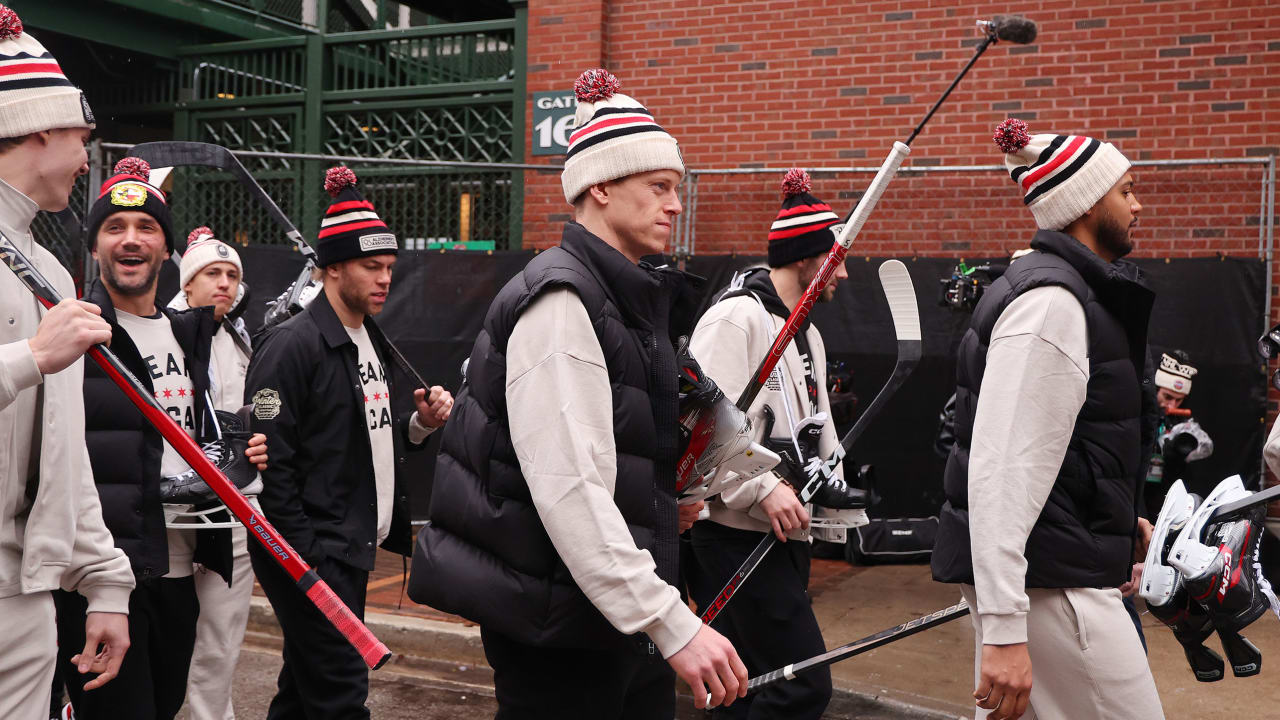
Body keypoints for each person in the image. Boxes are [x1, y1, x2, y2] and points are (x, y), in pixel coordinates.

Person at [411, 68, 748, 717]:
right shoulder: (563, 301)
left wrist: (666, 501)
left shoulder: (628, 300)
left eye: (674, 188)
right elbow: (570, 488)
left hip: (613, 618)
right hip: (563, 630)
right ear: (599, 186)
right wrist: (671, 621)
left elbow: (621, 456)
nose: (674, 205)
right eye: (658, 186)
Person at [931, 118, 1163, 720]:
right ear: (1086, 203)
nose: (1138, 205)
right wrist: (1006, 627)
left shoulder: (1064, 294)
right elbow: (1003, 469)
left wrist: (1117, 520)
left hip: (1052, 567)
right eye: (1126, 190)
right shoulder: (1052, 304)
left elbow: (1070, 445)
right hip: (1051, 586)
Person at [54, 157, 268, 720]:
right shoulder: (71, 334)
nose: (131, 239)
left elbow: (199, 439)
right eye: (115, 227)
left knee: (168, 704)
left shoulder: (188, 334)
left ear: (166, 248)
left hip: (182, 569)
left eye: (147, 227)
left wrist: (240, 453)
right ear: (95, 245)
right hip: (102, 578)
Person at [244, 166, 452, 719]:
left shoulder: (370, 338)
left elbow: (368, 441)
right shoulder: (292, 346)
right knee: (340, 694)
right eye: (371, 267)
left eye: (389, 267)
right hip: (315, 555)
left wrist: (421, 426)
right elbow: (271, 465)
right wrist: (306, 557)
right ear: (332, 268)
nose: (385, 279)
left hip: (351, 546)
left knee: (306, 689)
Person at [685, 168, 868, 719]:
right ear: (810, 257)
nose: (844, 266)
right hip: (729, 535)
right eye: (835, 253)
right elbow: (703, 424)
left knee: (742, 686)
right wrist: (762, 486)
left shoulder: (805, 328)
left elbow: (815, 427)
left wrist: (835, 494)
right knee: (801, 685)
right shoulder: (735, 318)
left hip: (784, 533)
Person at [0, 6, 136, 718]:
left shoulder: (50, 268)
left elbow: (66, 449)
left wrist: (104, 580)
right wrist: (29, 357)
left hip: (25, 597)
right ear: (42, 129)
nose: (89, 158)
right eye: (83, 138)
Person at [168, 227, 256, 720]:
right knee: (167, 633)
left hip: (236, 510)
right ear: (187, 283)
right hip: (174, 512)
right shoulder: (165, 334)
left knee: (222, 635)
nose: (224, 283)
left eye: (231, 275)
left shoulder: (244, 343)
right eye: (211, 273)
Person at [1144, 349, 1214, 516]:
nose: (1173, 405)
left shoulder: (1184, 422)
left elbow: (1206, 447)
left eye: (1179, 399)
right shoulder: (1137, 414)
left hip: (1166, 499)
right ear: (1155, 389)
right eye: (1167, 397)